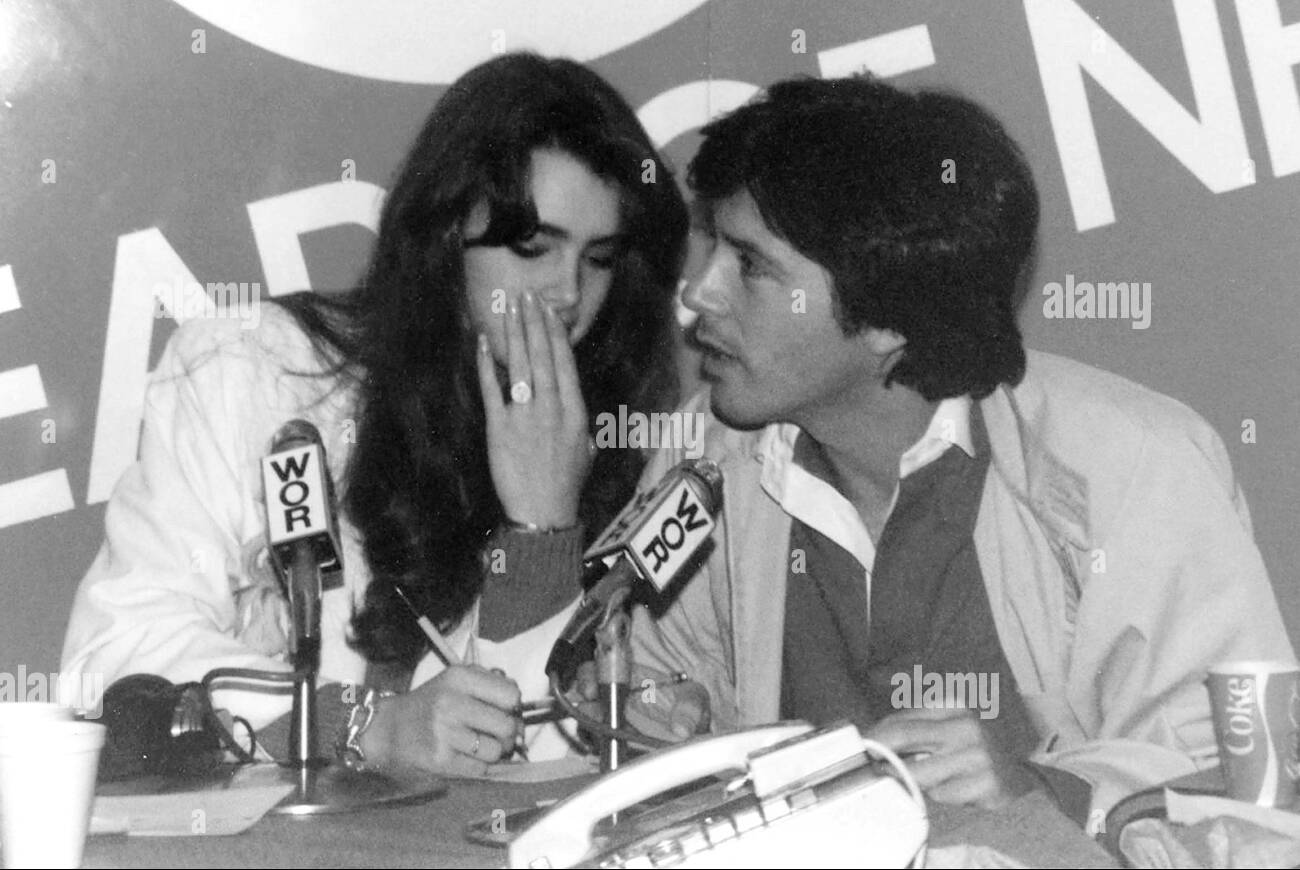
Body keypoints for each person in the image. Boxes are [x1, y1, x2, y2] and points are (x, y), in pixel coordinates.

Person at [623, 73, 1295, 826]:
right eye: (710, 244)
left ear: (885, 319)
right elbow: (650, 704)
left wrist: (1046, 791)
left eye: (748, 264)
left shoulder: (1136, 466)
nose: (697, 294)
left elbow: (1244, 787)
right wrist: (657, 721)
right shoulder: (705, 457)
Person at [62, 53, 689, 776]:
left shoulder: (627, 439)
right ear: (448, 233)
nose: (567, 292)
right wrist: (361, 726)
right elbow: (115, 654)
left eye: (600, 258)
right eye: (532, 248)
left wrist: (542, 531)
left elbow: (541, 773)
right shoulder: (255, 370)